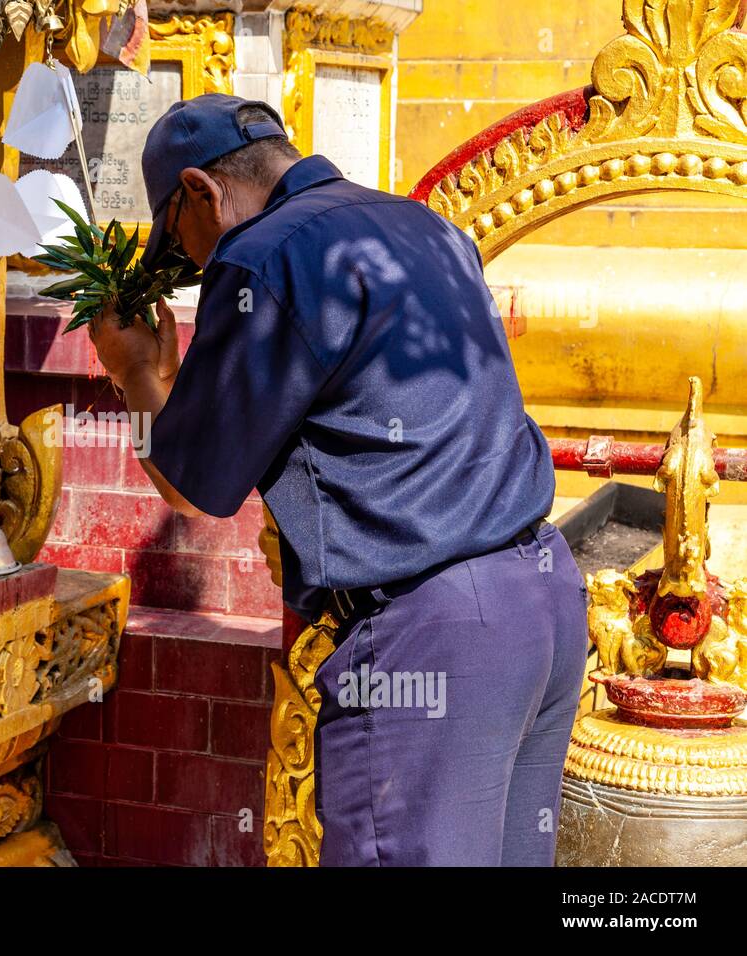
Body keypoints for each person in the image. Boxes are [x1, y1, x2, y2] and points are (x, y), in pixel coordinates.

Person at [86, 93, 588, 866]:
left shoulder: (266, 254)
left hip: (437, 636)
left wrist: (134, 376)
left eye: (182, 246)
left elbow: (190, 488)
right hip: (542, 606)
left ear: (200, 190)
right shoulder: (424, 225)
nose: (192, 267)